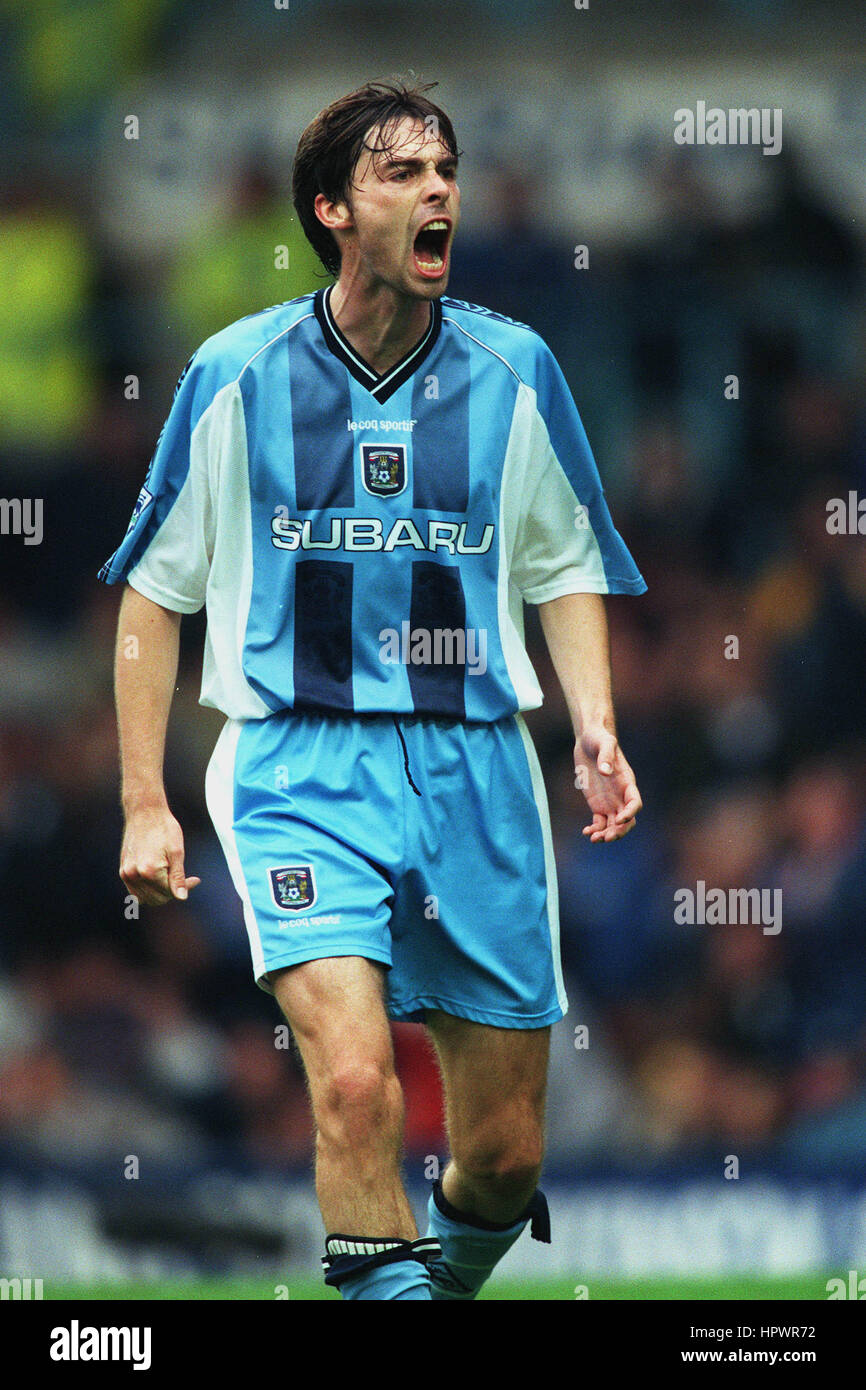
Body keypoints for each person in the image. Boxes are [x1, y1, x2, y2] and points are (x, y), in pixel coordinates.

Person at [100, 80, 646, 1301]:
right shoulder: (234, 374)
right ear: (333, 210)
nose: (437, 188)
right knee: (352, 1083)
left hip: (477, 766)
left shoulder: (519, 368)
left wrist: (595, 725)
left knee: (501, 1157)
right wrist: (145, 798)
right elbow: (152, 598)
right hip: (295, 764)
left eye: (443, 168)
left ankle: (434, 1284)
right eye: (400, 173)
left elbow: (562, 564)